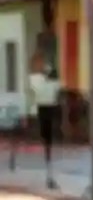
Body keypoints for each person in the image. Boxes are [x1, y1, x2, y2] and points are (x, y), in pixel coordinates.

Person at [28, 54, 61, 189]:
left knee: (47, 142)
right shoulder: (35, 79)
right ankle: (48, 174)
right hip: (43, 109)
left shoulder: (39, 80)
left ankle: (49, 173)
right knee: (46, 141)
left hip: (46, 109)